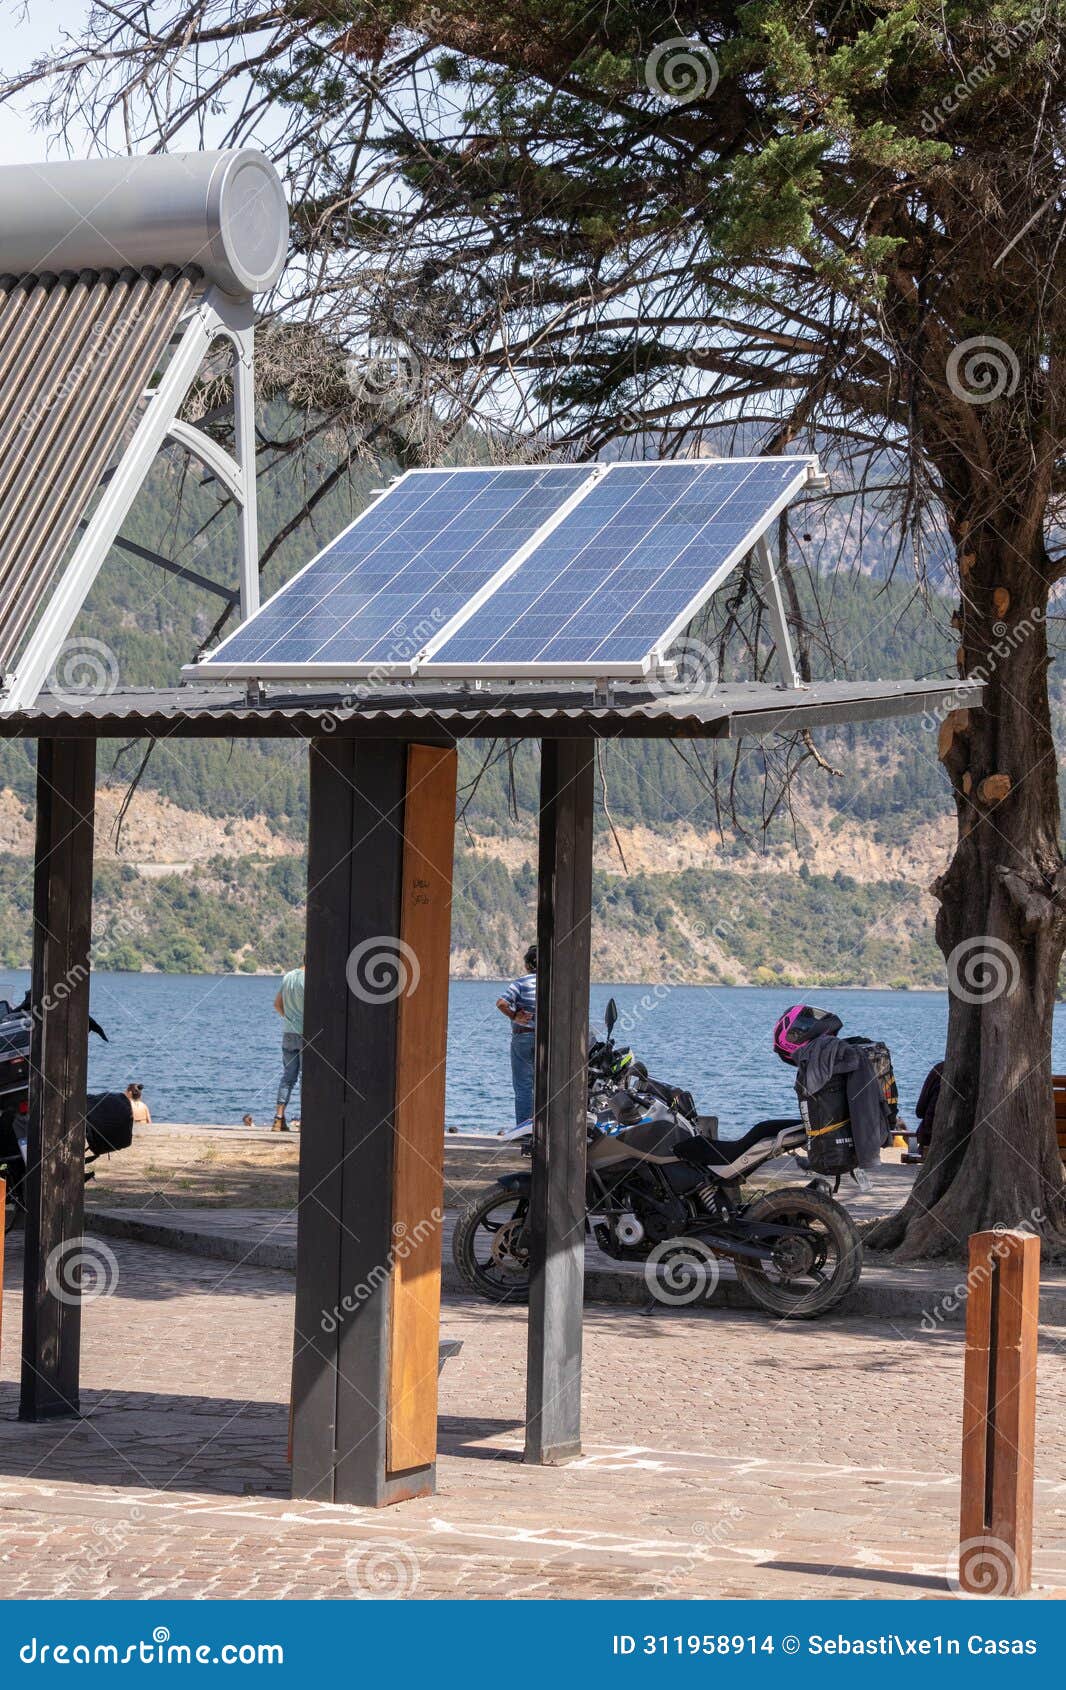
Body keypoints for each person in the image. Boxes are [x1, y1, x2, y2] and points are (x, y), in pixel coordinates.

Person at [497, 945, 536, 1125]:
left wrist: (514, 1016)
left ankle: (524, 1129)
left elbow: (501, 1003)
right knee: (545, 1086)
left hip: (524, 1037)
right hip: (549, 1040)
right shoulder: (554, 983)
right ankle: (543, 1127)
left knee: (523, 1087)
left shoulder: (521, 983)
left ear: (527, 965)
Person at [273, 961, 305, 1133]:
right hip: (306, 1033)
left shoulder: (288, 977)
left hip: (288, 1033)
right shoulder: (310, 979)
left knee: (288, 1077)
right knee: (306, 1078)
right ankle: (305, 1119)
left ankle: (278, 1119)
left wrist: (289, 1020)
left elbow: (277, 1004)